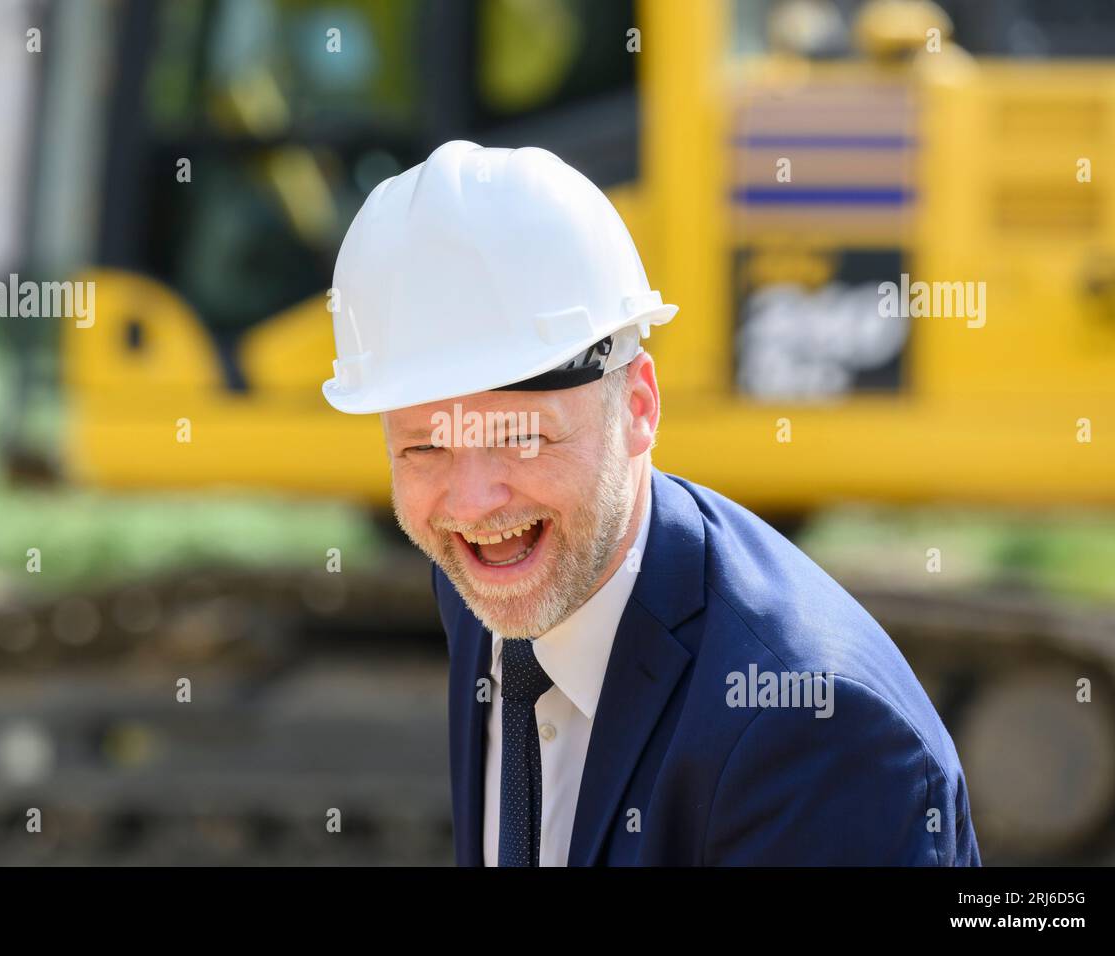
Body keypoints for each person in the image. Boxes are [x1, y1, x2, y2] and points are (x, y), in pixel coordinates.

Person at [321, 140, 980, 866]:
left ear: (638, 408)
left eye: (520, 438)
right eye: (424, 449)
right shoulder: (488, 581)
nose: (473, 504)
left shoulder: (817, 731)